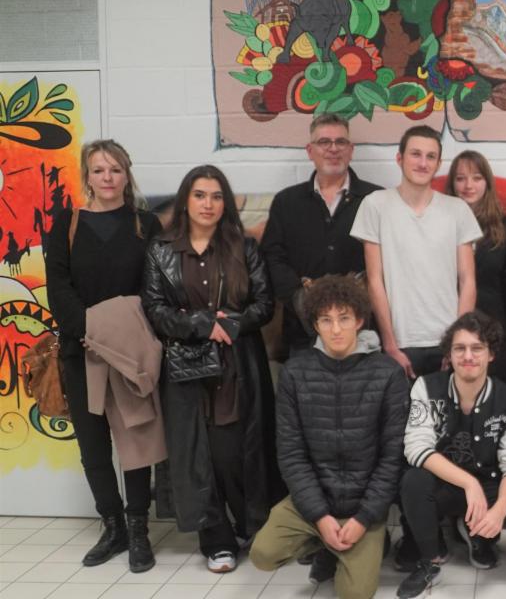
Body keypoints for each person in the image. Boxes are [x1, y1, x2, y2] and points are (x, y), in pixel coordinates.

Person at [141, 165, 283, 573]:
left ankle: (248, 526)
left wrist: (232, 324)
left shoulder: (243, 247)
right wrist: (203, 324)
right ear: (186, 199)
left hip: (236, 366)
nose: (209, 203)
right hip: (185, 372)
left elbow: (264, 304)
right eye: (200, 195)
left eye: (217, 196)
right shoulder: (161, 249)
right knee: (194, 456)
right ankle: (216, 541)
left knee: (233, 453)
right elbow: (154, 310)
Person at [249, 275, 408, 598]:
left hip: (362, 506)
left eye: (344, 318)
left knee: (356, 595)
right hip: (314, 501)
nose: (336, 329)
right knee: (262, 554)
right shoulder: (296, 371)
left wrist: (364, 518)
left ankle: (366, 542)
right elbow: (291, 454)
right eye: (326, 320)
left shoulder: (387, 373)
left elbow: (392, 457)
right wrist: (320, 517)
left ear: (359, 320)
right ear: (315, 325)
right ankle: (323, 542)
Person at [45, 140, 163, 573]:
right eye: (99, 170)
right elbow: (58, 286)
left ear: (126, 174)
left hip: (131, 353)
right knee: (94, 447)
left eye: (115, 170)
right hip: (83, 351)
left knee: (134, 443)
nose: (108, 178)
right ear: (87, 176)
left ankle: (138, 530)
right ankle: (112, 526)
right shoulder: (66, 224)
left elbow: (155, 289)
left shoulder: (145, 224)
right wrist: (89, 330)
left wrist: (128, 336)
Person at [396, 311, 506, 598]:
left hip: (488, 484)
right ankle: (429, 556)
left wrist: (498, 511)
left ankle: (478, 534)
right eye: (460, 348)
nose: (468, 356)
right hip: (446, 483)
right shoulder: (427, 388)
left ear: (491, 354)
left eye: (477, 348)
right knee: (413, 481)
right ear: (449, 354)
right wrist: (468, 484)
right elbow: (417, 447)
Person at [351, 125, 482, 379]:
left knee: (446, 417)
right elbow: (375, 281)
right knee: (405, 418)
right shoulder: (375, 204)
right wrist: (389, 343)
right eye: (415, 154)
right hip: (400, 342)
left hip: (447, 340)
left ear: (438, 163)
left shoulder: (457, 210)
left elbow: (468, 281)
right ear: (399, 158)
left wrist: (459, 343)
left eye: (430, 156)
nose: (423, 163)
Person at [260, 113, 381, 353]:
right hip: (301, 334)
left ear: (351, 149)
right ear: (310, 150)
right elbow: (272, 257)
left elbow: (390, 259)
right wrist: (300, 295)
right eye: (324, 142)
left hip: (363, 332)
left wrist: (361, 291)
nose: (333, 149)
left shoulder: (376, 199)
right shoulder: (286, 202)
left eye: (340, 142)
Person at [446, 150, 506, 381]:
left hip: (495, 335)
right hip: (448, 332)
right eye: (460, 178)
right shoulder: (439, 225)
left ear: (487, 182)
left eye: (476, 178)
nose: (468, 185)